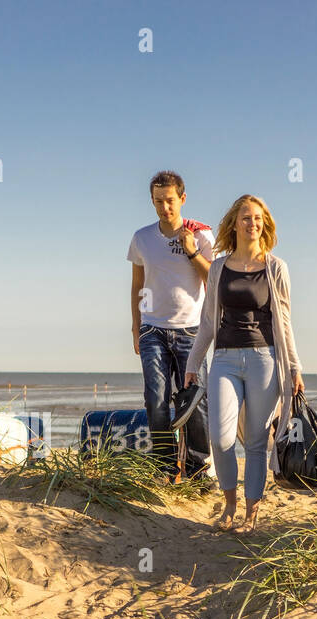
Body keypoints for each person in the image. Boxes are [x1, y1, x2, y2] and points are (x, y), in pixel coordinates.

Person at [183, 194, 304, 533]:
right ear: (234, 223)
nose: (253, 223)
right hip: (224, 358)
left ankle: (251, 513)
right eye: (247, 217)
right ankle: (229, 503)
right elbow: (208, 321)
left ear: (264, 225)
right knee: (221, 439)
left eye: (258, 218)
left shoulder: (276, 267)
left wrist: (294, 368)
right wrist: (194, 362)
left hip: (265, 359)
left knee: (254, 442)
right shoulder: (219, 267)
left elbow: (285, 323)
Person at [127, 171, 215, 484]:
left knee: (195, 402)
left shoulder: (201, 235)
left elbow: (212, 278)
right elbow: (138, 284)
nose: (165, 207)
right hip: (152, 329)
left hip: (192, 330)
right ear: (152, 201)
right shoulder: (142, 238)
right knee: (156, 398)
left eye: (170, 201)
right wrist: (136, 326)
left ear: (182, 199)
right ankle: (164, 468)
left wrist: (191, 248)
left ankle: (198, 470)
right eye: (158, 201)